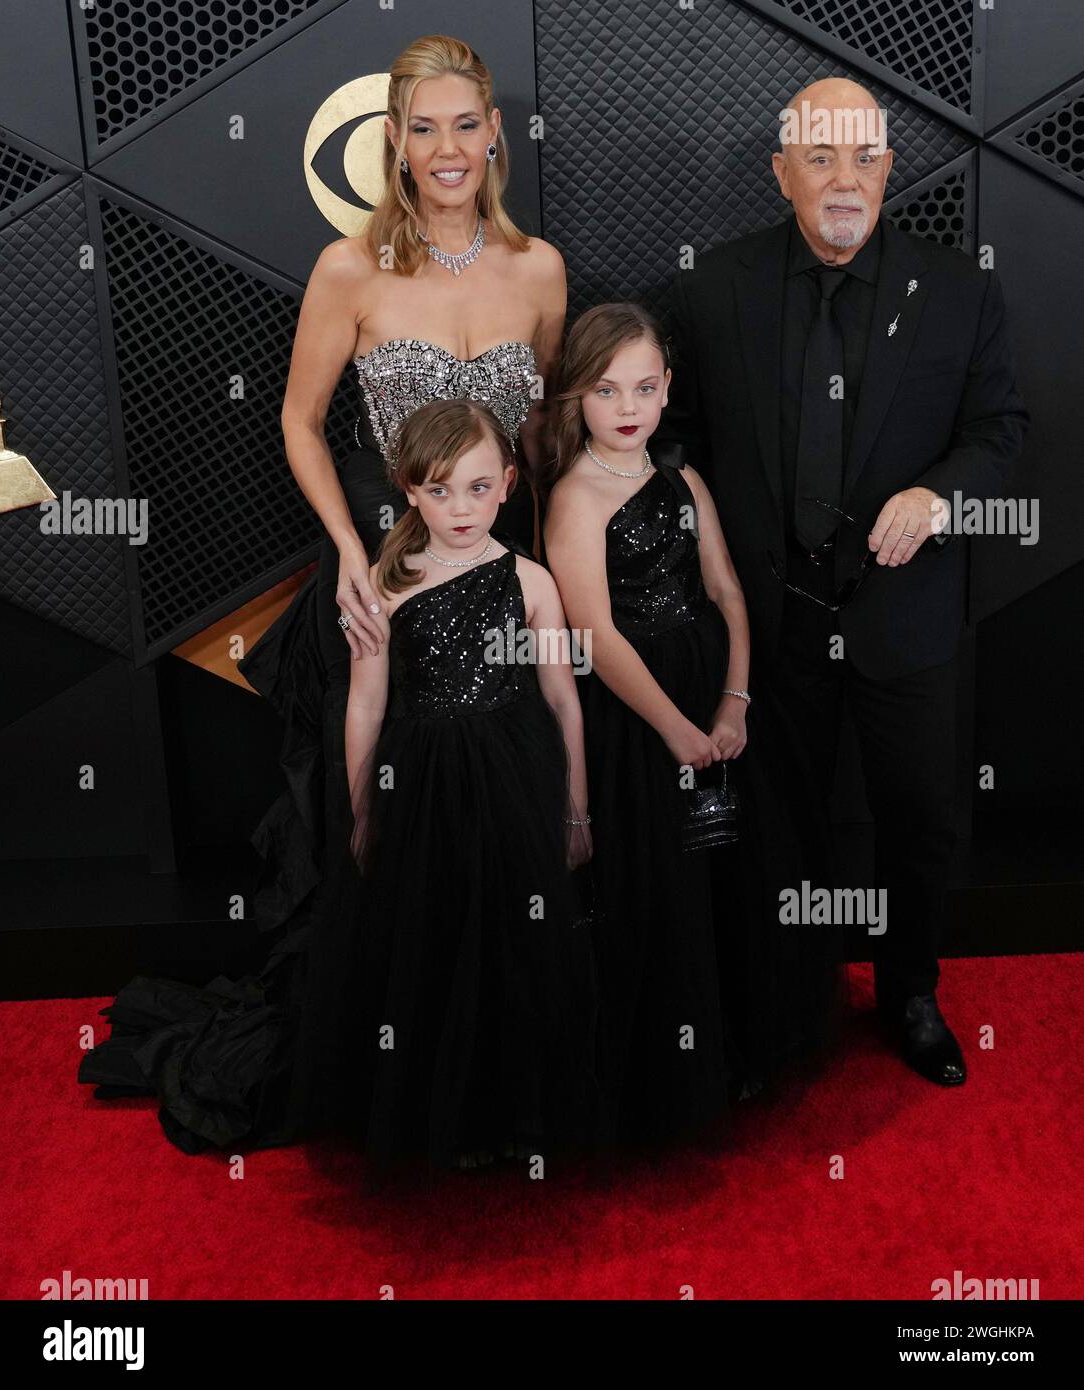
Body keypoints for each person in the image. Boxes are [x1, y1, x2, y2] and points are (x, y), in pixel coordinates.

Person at [651, 77, 1030, 1085]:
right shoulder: (711, 290)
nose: (844, 178)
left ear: (888, 169)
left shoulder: (959, 291)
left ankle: (908, 990)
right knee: (780, 824)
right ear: (781, 173)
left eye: (862, 156)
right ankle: (789, 997)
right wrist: (709, 550)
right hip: (768, 623)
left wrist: (940, 496)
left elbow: (1000, 431)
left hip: (903, 618)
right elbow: (671, 439)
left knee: (916, 819)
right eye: (819, 156)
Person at [239, 33, 567, 939]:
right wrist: (349, 551)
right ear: (394, 139)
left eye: (466, 125)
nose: (449, 150)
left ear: (496, 132)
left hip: (501, 576)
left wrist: (561, 553)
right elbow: (298, 422)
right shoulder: (350, 268)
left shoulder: (538, 269)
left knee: (501, 797)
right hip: (384, 572)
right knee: (389, 811)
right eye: (425, 129)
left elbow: (537, 434)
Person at [542, 303, 842, 1151]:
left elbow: (728, 594)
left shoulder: (685, 481)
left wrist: (735, 701)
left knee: (735, 876)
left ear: (668, 389)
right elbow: (594, 639)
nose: (628, 405)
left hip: (718, 699)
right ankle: (679, 1065)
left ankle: (744, 1040)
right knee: (666, 886)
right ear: (578, 398)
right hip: (641, 718)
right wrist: (678, 729)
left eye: (643, 386)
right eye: (606, 390)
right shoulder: (572, 501)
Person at [289, 398, 601, 1179]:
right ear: (406, 491)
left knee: (515, 947)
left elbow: (561, 696)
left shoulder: (531, 580)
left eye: (474, 487)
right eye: (436, 490)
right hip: (422, 787)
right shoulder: (385, 587)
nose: (457, 509)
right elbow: (364, 703)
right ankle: (450, 1115)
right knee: (435, 947)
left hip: (515, 776)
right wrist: (364, 807)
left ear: (505, 485)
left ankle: (517, 1110)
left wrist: (576, 809)